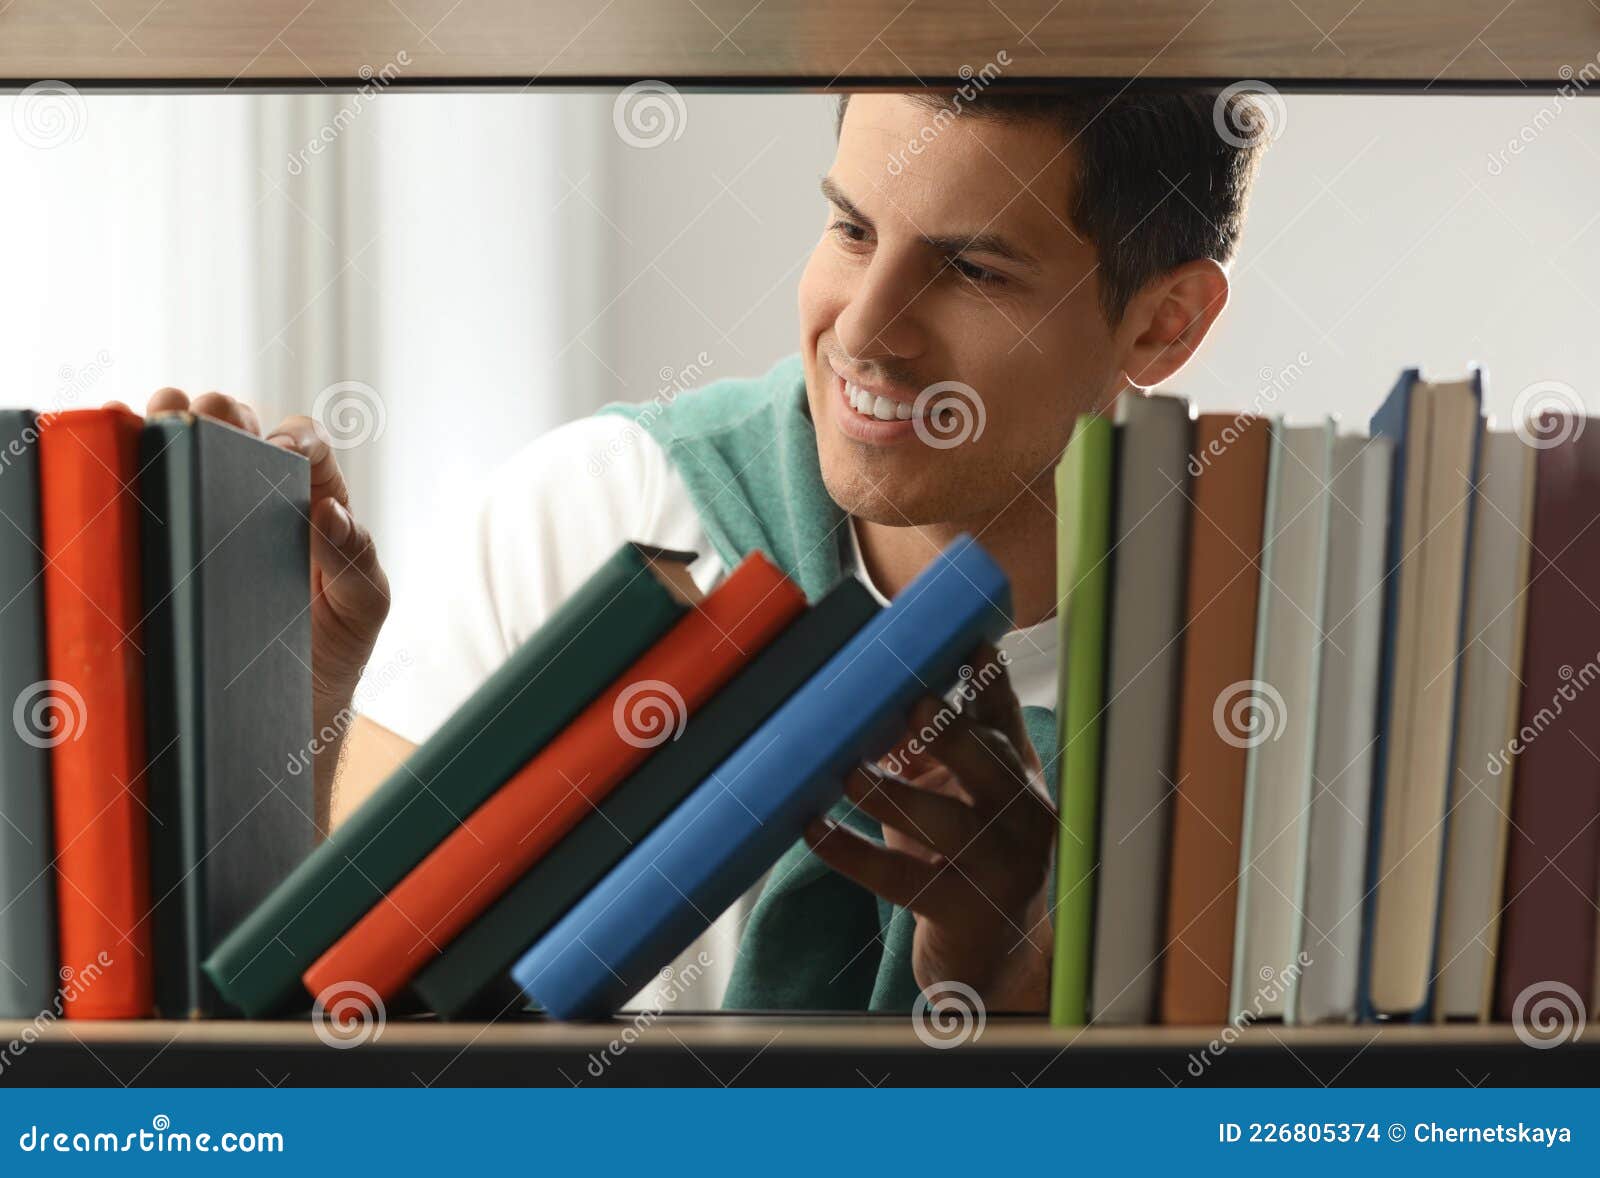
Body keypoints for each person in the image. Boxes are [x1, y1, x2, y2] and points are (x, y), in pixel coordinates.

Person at [142, 89, 1265, 1015]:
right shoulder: (593, 514)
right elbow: (338, 1033)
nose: (864, 330)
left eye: (973, 269)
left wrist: (1005, 982)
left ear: (1163, 320)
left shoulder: (1261, 666)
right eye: (852, 228)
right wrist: (288, 712)